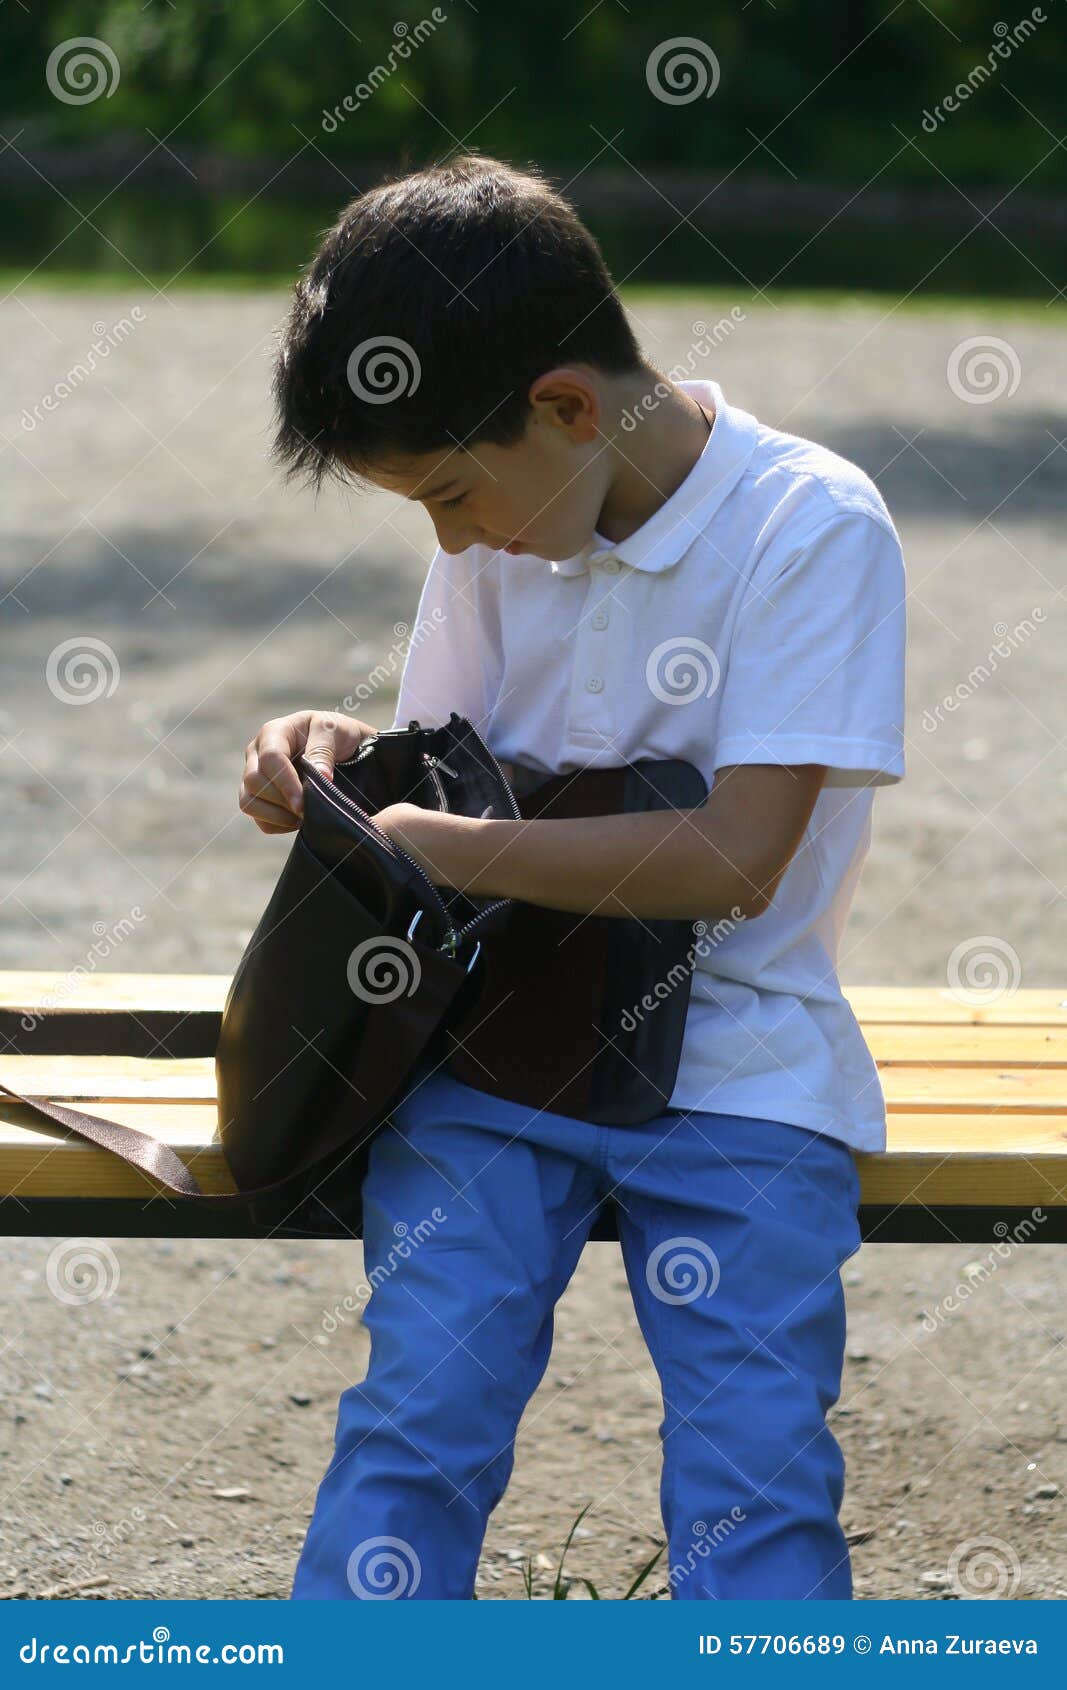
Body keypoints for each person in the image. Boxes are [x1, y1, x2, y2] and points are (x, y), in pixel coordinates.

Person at [239, 153, 906, 1600]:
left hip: (741, 1064)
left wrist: (452, 846)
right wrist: (340, 761)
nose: (452, 537)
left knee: (756, 1475)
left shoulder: (811, 525)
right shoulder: (511, 519)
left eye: (454, 494)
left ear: (565, 406)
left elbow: (734, 858)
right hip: (506, 1053)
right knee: (418, 1424)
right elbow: (455, 771)